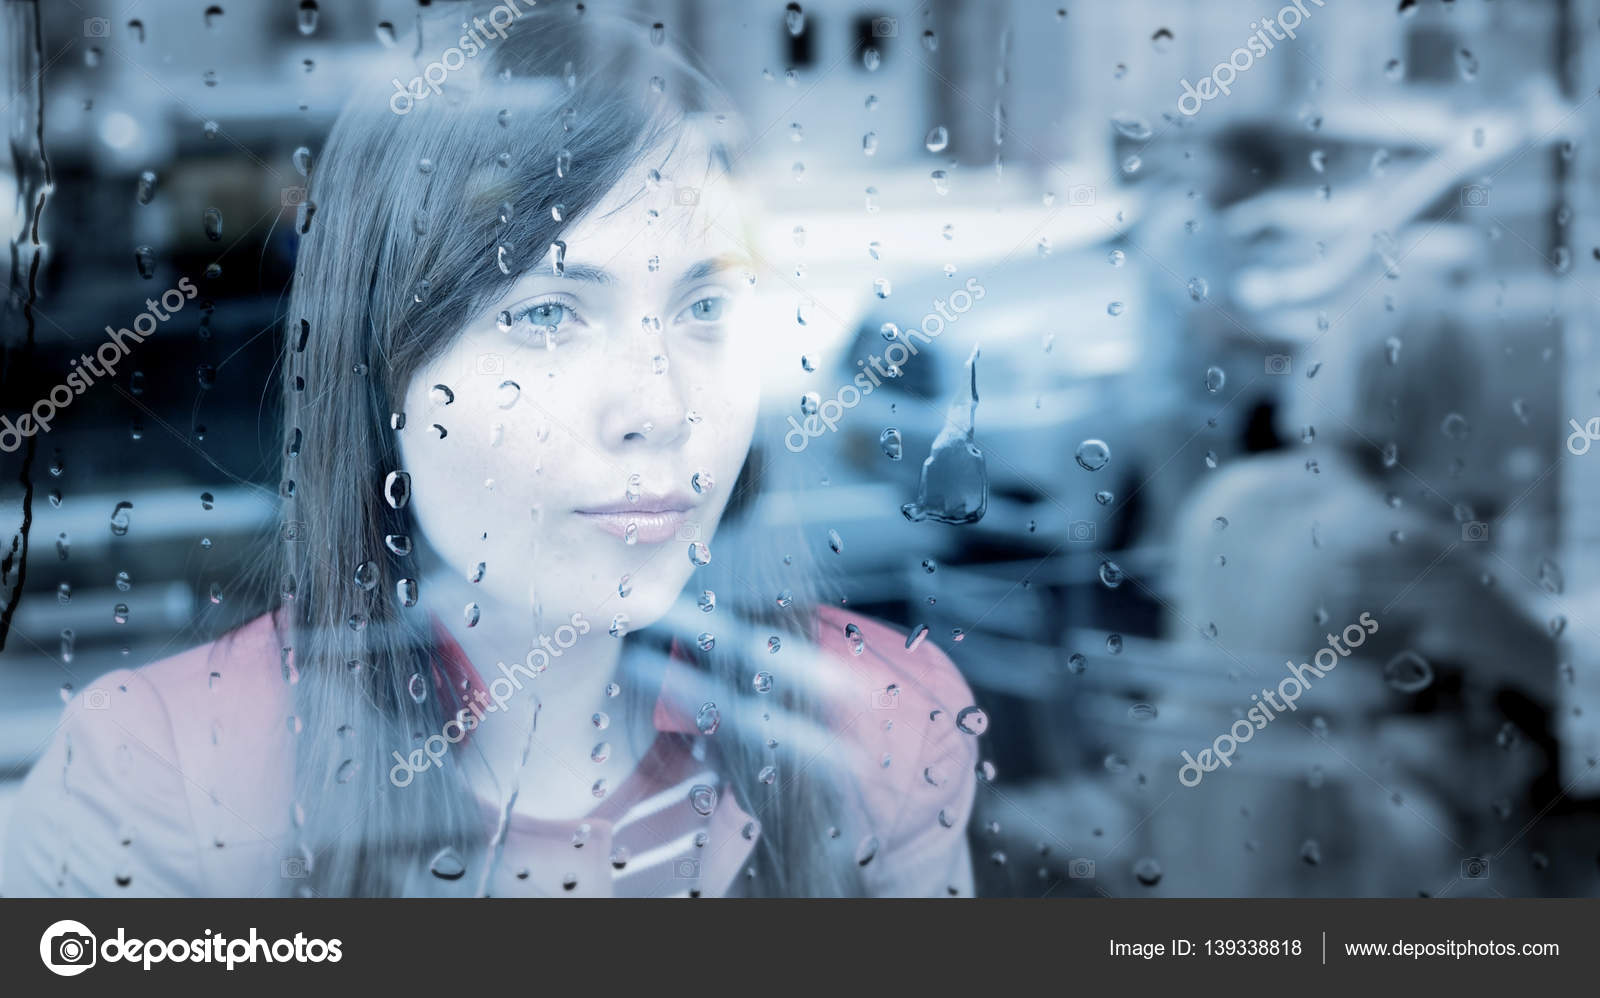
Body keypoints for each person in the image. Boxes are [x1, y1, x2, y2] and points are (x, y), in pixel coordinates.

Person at [2, 6, 977, 898]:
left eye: (703, 306)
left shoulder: (882, 724)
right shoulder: (161, 780)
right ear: (381, 380)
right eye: (547, 316)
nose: (659, 404)